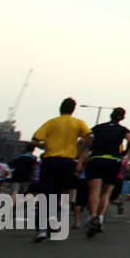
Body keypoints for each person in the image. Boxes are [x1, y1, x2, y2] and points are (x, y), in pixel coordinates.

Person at [30, 98, 92, 242]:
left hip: (50, 160)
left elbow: (35, 140)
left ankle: (42, 229)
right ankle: (52, 223)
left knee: (46, 192)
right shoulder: (78, 123)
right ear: (73, 109)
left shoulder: (51, 122)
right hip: (68, 161)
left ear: (60, 108)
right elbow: (90, 137)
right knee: (58, 192)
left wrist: (44, 146)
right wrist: (78, 151)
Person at [85, 108, 130, 237]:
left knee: (94, 191)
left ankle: (93, 215)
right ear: (122, 118)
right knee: (106, 193)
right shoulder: (123, 130)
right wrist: (125, 152)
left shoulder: (98, 127)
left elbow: (88, 138)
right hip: (113, 161)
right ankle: (100, 218)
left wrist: (90, 147)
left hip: (97, 158)